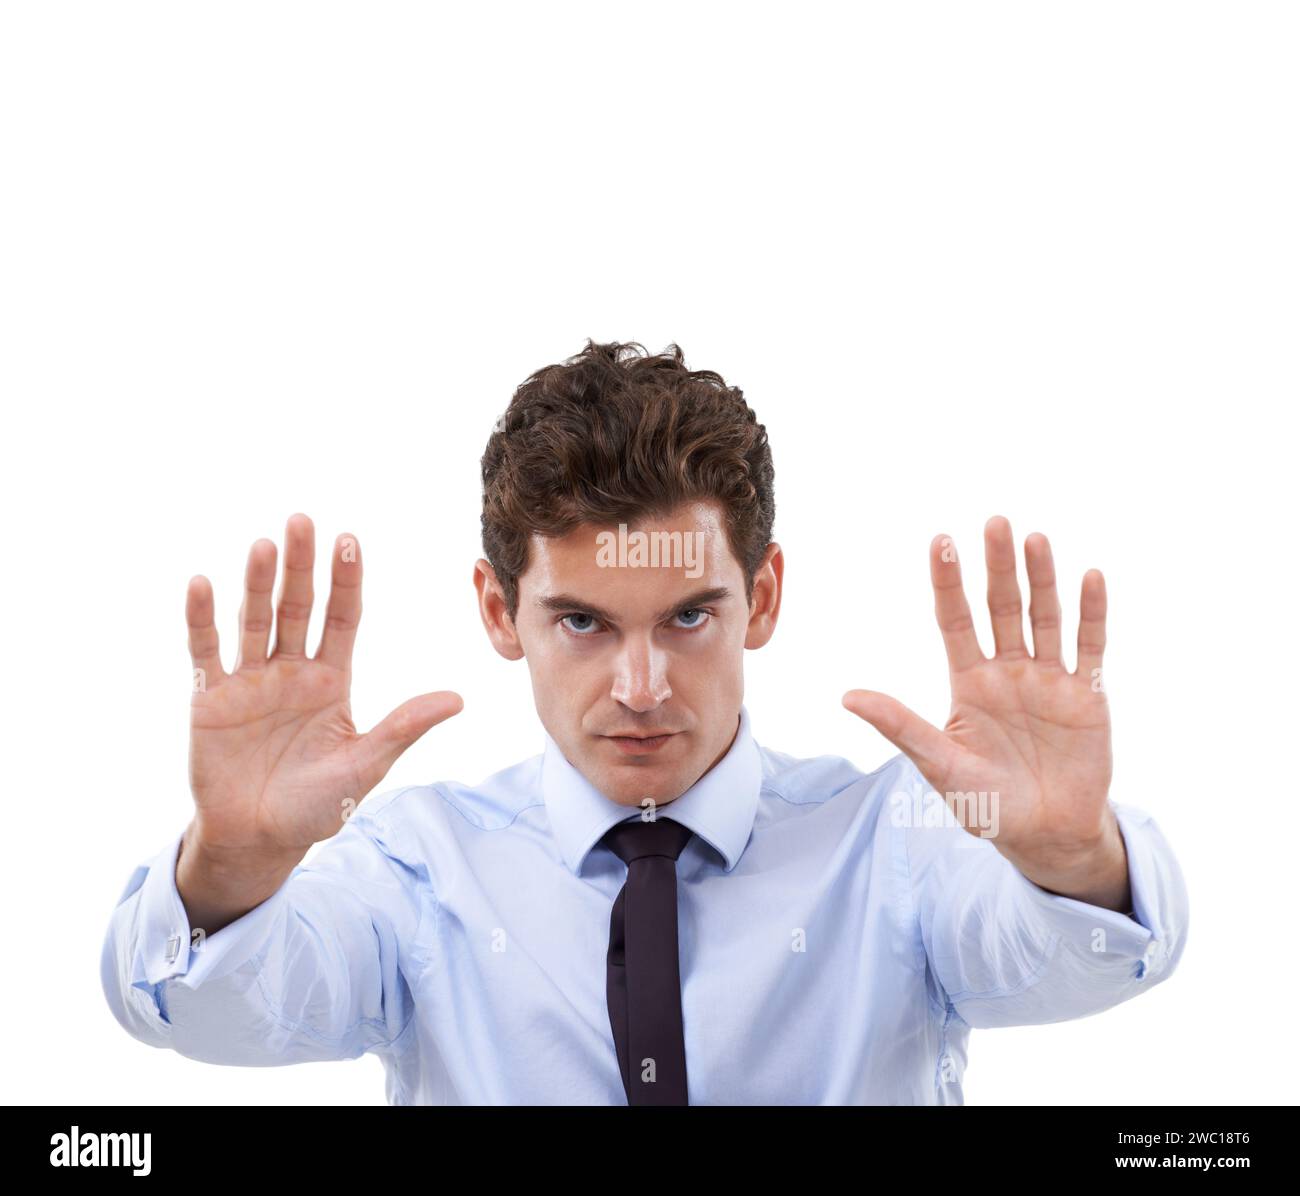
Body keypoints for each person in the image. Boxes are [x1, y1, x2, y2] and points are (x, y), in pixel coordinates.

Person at [100, 340, 1189, 1105]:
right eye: (580, 619)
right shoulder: (414, 866)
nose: (640, 685)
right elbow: (200, 1015)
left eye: (687, 616)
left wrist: (1067, 856)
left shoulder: (895, 843)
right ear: (499, 610)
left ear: (759, 599)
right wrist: (231, 868)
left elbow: (1077, 963)